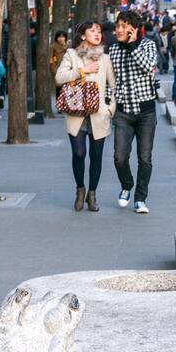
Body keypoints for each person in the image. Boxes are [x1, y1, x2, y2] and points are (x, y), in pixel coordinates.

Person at [56, 20, 116, 212]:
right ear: (83, 35)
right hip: (76, 113)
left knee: (96, 156)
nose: (97, 33)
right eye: (92, 30)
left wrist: (110, 108)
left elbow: (114, 86)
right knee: (79, 153)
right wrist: (83, 70)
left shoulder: (105, 59)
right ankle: (80, 189)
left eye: (99, 30)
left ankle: (92, 194)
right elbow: (59, 78)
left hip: (99, 114)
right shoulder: (71, 55)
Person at [106, 10, 160, 214]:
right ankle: (126, 185)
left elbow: (148, 67)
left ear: (133, 29)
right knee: (120, 157)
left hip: (146, 112)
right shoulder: (113, 50)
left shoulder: (148, 45)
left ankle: (140, 198)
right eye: (117, 26)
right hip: (123, 112)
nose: (118, 30)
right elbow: (109, 80)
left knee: (145, 157)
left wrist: (132, 45)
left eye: (123, 26)